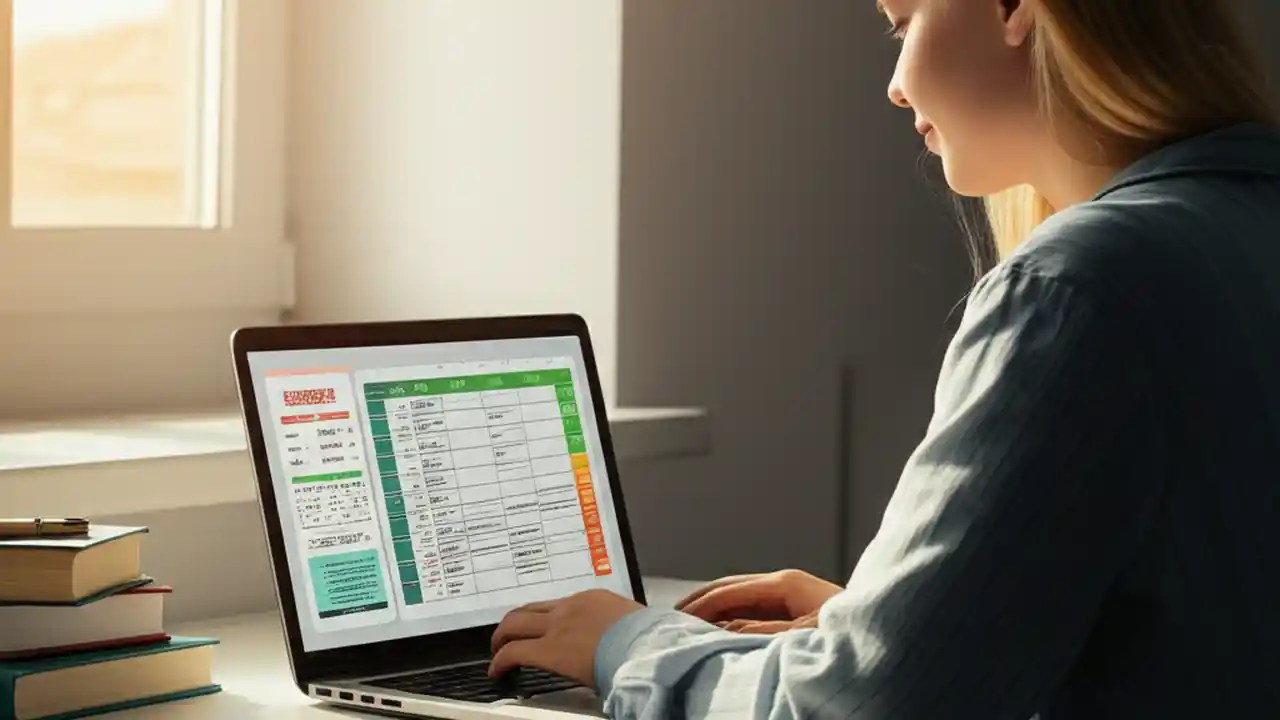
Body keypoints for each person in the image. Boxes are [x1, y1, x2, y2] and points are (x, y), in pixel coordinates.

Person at [488, 0, 1280, 716]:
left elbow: (869, 710)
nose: (897, 86)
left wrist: (626, 646)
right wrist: (895, 620)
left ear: (1013, 8)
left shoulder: (1075, 287)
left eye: (904, 24)